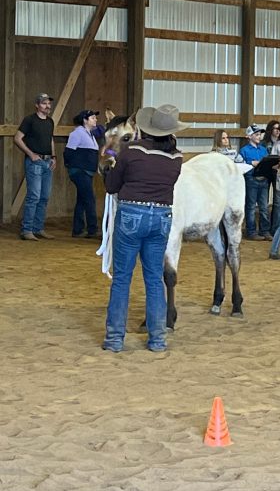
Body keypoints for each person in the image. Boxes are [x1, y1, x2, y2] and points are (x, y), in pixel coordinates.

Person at [101, 104, 187, 353]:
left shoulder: (131, 151)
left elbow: (112, 186)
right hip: (161, 216)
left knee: (122, 279)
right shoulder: (176, 157)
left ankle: (115, 339)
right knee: (153, 279)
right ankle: (158, 339)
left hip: (131, 214)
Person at [14, 92, 57, 241]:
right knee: (34, 196)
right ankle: (27, 230)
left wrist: (54, 157)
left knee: (44, 197)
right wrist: (30, 154)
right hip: (35, 161)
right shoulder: (29, 120)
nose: (48, 106)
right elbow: (17, 138)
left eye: (49, 103)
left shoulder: (50, 121)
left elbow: (50, 139)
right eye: (44, 103)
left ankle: (38, 228)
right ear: (37, 105)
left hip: (47, 161)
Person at [64, 109, 100, 239]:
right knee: (90, 199)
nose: (95, 119)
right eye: (92, 118)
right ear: (85, 120)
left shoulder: (89, 134)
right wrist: (71, 166)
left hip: (86, 171)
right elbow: (68, 151)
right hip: (80, 171)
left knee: (82, 200)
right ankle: (92, 229)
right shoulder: (78, 133)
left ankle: (78, 229)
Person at [239, 124, 271, 240]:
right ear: (249, 136)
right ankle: (251, 231)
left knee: (264, 207)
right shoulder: (244, 150)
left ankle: (264, 230)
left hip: (263, 179)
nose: (259, 136)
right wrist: (251, 163)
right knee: (251, 207)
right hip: (251, 179)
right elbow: (241, 165)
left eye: (259, 134)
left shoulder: (263, 149)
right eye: (256, 134)